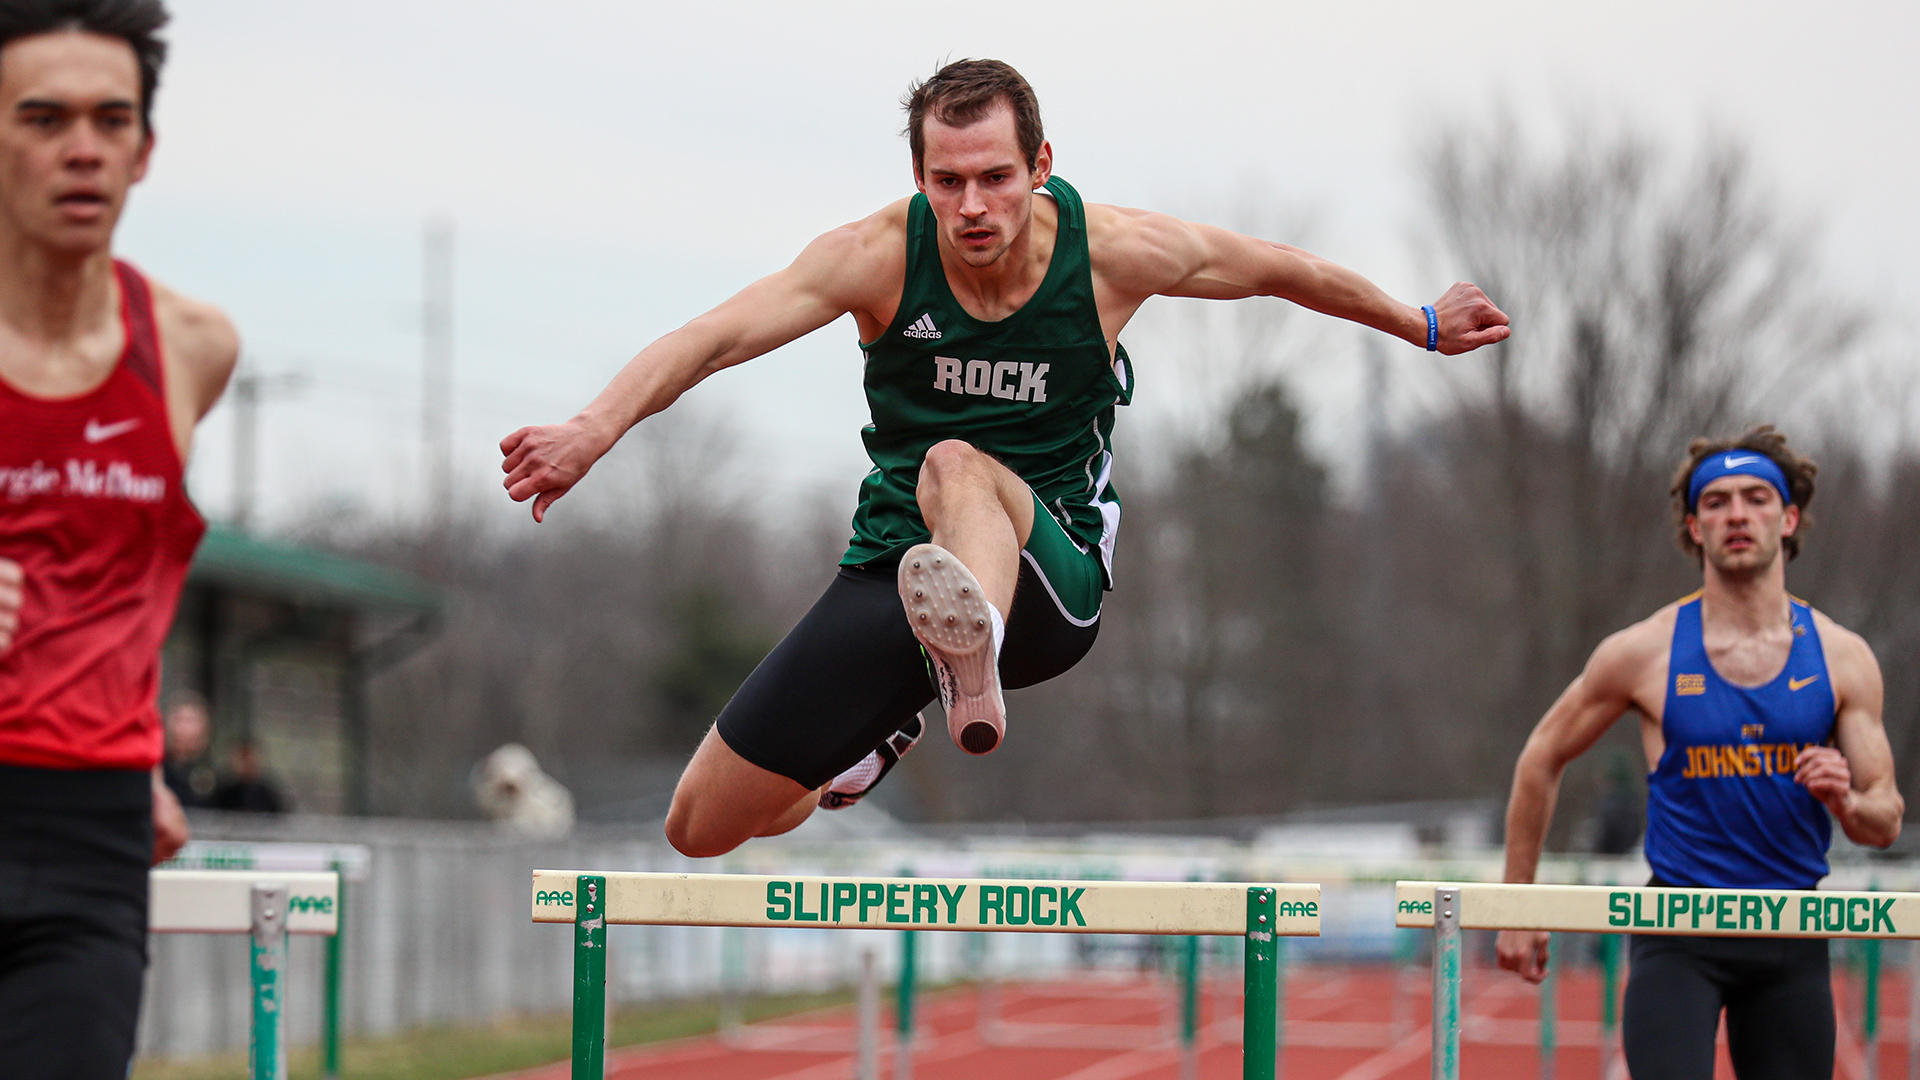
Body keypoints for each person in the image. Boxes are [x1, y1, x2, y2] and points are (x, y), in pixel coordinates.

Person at [500, 59, 1510, 858]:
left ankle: (965, 649)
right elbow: (713, 337)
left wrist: (1420, 321)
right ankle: (872, 739)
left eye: (995, 177)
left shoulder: (1113, 253)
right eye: (949, 182)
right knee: (701, 825)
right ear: (919, 179)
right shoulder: (875, 256)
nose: (974, 205)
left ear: (1039, 164)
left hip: (1047, 579)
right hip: (900, 568)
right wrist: (593, 430)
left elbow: (1281, 271)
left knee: (956, 463)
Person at [1495, 426, 1902, 1080]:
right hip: (1679, 932)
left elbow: (1884, 819)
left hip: (1792, 933)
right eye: (1715, 502)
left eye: (1755, 497)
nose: (1736, 513)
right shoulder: (1644, 651)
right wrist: (1517, 904)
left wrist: (1846, 800)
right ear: (1694, 526)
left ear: (1789, 516)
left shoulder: (1842, 656)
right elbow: (1541, 754)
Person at [0, 2, 240, 1077]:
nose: (81, 148)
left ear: (145, 150)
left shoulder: (191, 348)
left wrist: (130, 748)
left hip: (95, 830)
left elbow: (114, 579)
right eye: (43, 119)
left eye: (110, 119)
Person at [161, 690, 215, 807]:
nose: (184, 728)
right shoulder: (157, 771)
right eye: (179, 720)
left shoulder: (213, 773)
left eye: (191, 720)